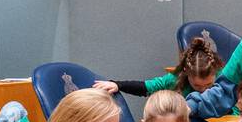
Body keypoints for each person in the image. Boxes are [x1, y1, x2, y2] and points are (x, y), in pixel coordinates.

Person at [93, 34, 224, 99]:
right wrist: (117, 85)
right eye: (197, 86)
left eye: (208, 85)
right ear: (186, 72)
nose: (203, 91)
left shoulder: (223, 78)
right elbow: (146, 87)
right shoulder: (175, 80)